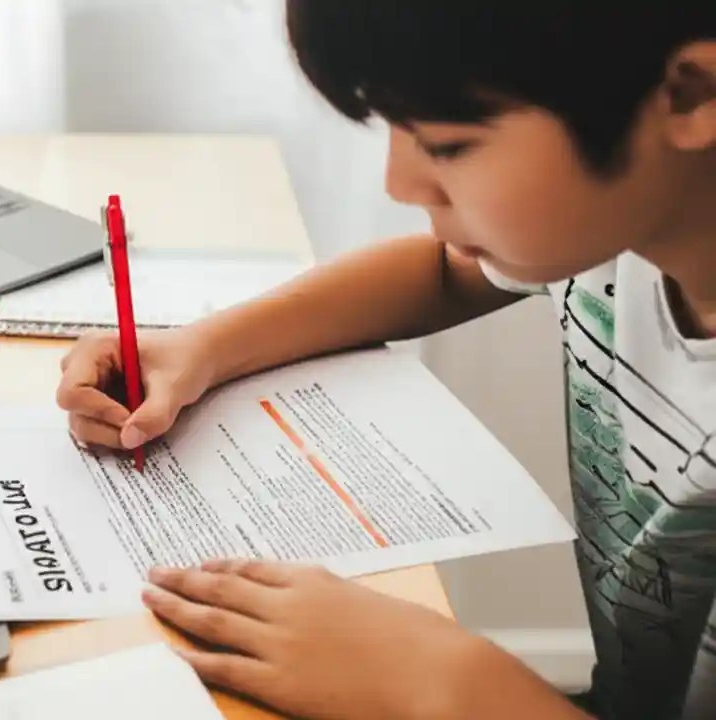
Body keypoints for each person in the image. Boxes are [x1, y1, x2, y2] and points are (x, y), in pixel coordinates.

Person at [57, 3, 716, 718]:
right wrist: (204, 348)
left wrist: (448, 682)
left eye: (450, 144)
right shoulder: (629, 224)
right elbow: (440, 273)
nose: (399, 184)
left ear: (689, 95)